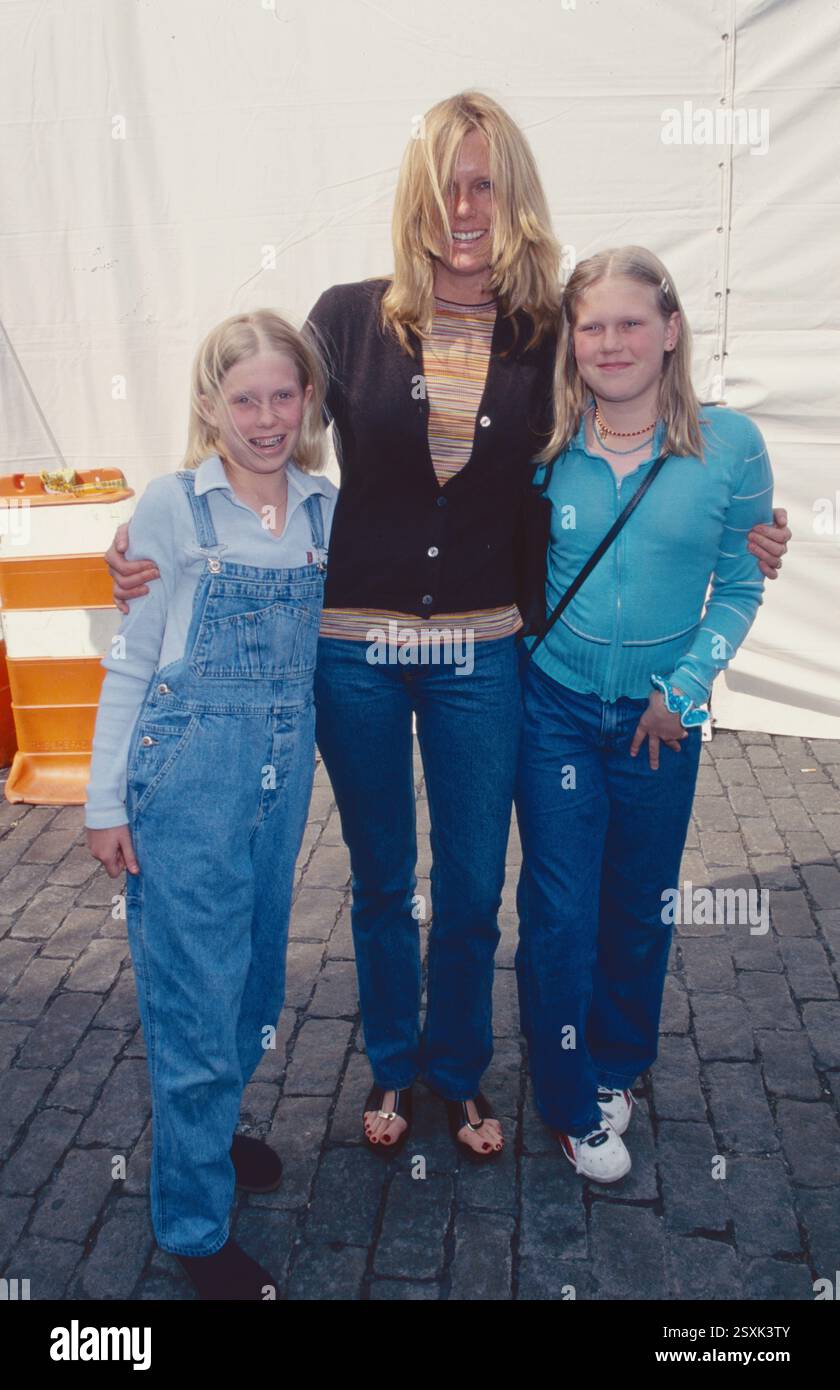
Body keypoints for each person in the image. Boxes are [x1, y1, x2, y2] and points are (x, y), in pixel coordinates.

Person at [102, 92, 791, 1166]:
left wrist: (737, 528)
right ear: (415, 198)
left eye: (483, 183)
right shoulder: (345, 316)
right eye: (444, 185)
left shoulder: (546, 334)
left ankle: (459, 1068)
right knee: (381, 879)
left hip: (483, 648)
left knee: (472, 881)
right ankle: (392, 1058)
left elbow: (622, 433)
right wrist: (162, 521)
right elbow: (261, 420)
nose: (463, 206)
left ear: (511, 196)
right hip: (356, 651)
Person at [85, 310, 337, 1298]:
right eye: (245, 399)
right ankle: (193, 1227)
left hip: (276, 789)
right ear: (208, 406)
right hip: (184, 784)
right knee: (193, 1006)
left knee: (253, 987)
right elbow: (133, 656)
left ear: (309, 401)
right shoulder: (170, 509)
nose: (267, 417)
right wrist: (107, 802)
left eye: (284, 395)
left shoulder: (325, 509)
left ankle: (211, 1131)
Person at [514, 247, 774, 1182]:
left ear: (671, 332)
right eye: (593, 326)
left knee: (639, 906)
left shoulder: (730, 445)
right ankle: (570, 1097)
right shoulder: (541, 445)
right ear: (571, 341)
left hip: (661, 722)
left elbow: (742, 584)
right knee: (556, 909)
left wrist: (686, 689)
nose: (612, 342)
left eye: (632, 323)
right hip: (553, 707)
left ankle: (618, 1060)